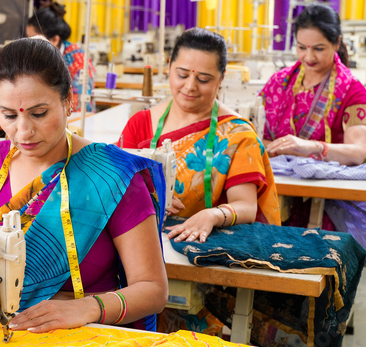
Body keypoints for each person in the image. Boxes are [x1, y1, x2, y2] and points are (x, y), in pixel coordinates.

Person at [0, 38, 168, 343]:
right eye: (9, 115)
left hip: (82, 338)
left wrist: (87, 308)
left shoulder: (111, 175)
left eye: (38, 114)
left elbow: (153, 290)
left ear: (69, 102)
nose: (22, 131)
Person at [118, 28, 282, 241]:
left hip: (208, 246)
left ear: (222, 78)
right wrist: (149, 197)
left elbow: (246, 206)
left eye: (203, 79)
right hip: (142, 240)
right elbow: (115, 187)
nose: (190, 86)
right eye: (182, 74)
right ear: (169, 67)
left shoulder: (237, 133)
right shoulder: (139, 124)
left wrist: (213, 215)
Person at [261, 4, 366, 166]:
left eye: (318, 49)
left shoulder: (353, 92)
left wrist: (313, 147)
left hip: (324, 186)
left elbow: (357, 153)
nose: (309, 57)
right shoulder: (278, 83)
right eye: (301, 48)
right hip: (274, 178)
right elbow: (253, 135)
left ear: (337, 43)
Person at [26, 2, 96, 111]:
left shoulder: (78, 60)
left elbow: (79, 105)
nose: (29, 44)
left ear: (55, 40)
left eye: (34, 39)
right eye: (28, 38)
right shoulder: (35, 57)